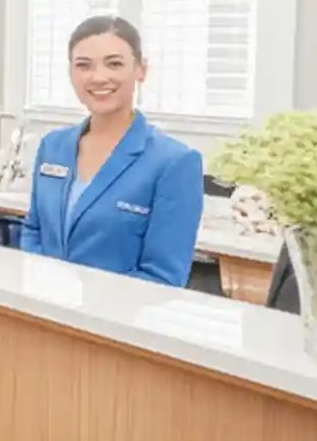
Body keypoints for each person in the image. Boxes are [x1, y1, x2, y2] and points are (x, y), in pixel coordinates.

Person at [19, 16, 204, 287]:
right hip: (41, 306)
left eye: (114, 64)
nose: (98, 77)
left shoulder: (174, 163)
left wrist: (78, 300)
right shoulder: (53, 146)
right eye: (84, 65)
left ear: (141, 70)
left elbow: (163, 277)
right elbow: (33, 231)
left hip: (119, 312)